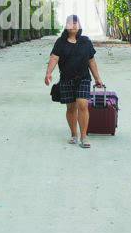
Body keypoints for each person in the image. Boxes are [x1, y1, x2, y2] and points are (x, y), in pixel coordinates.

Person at [44, 15, 104, 148]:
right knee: (71, 108)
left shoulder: (85, 42)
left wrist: (97, 78)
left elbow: (91, 61)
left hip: (83, 78)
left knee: (82, 104)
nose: (74, 25)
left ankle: (84, 136)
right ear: (66, 26)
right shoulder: (60, 42)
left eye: (76, 23)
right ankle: (73, 134)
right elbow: (54, 58)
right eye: (71, 23)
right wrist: (48, 73)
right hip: (66, 79)